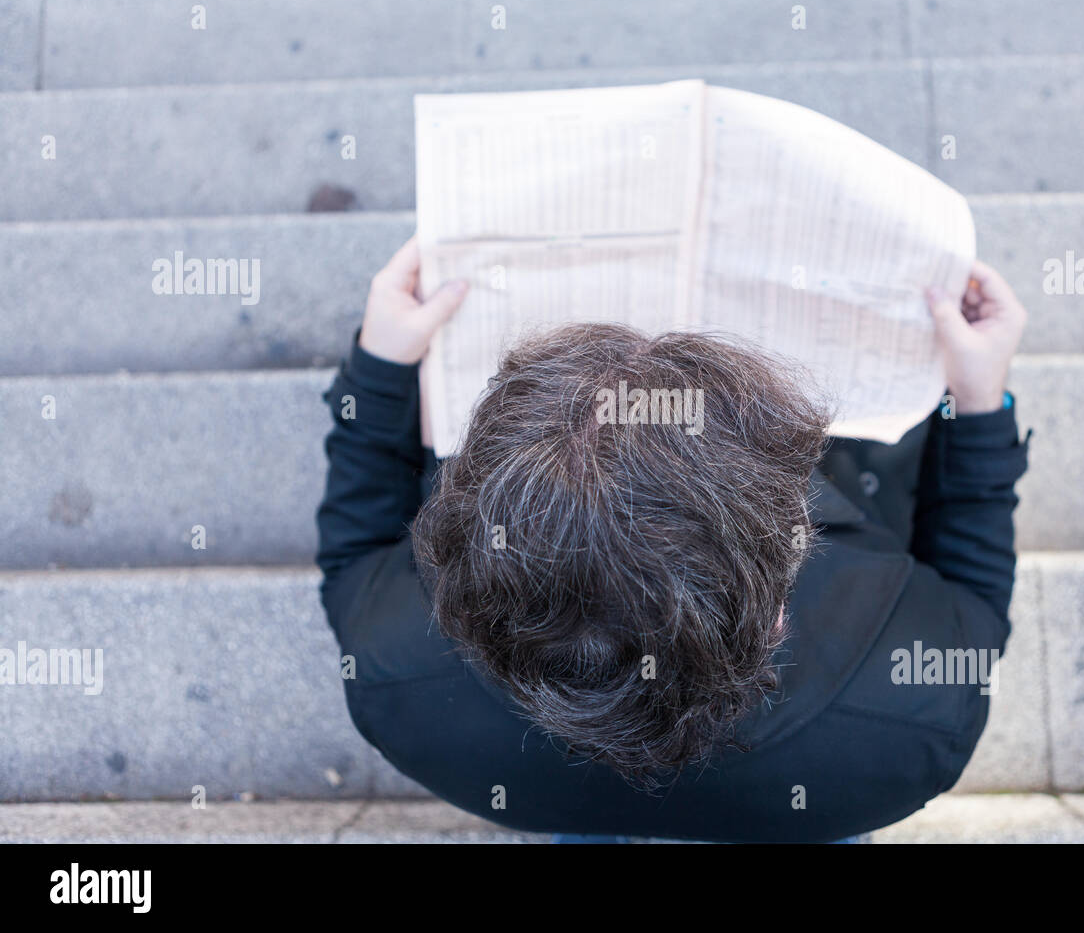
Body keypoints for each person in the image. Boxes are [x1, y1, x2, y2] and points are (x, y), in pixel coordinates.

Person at [316, 236, 1030, 843]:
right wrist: (980, 402)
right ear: (779, 615)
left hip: (535, 780)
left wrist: (380, 367)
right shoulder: (915, 731)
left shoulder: (393, 683)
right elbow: (974, 596)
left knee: (587, 805)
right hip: (827, 789)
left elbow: (356, 549)